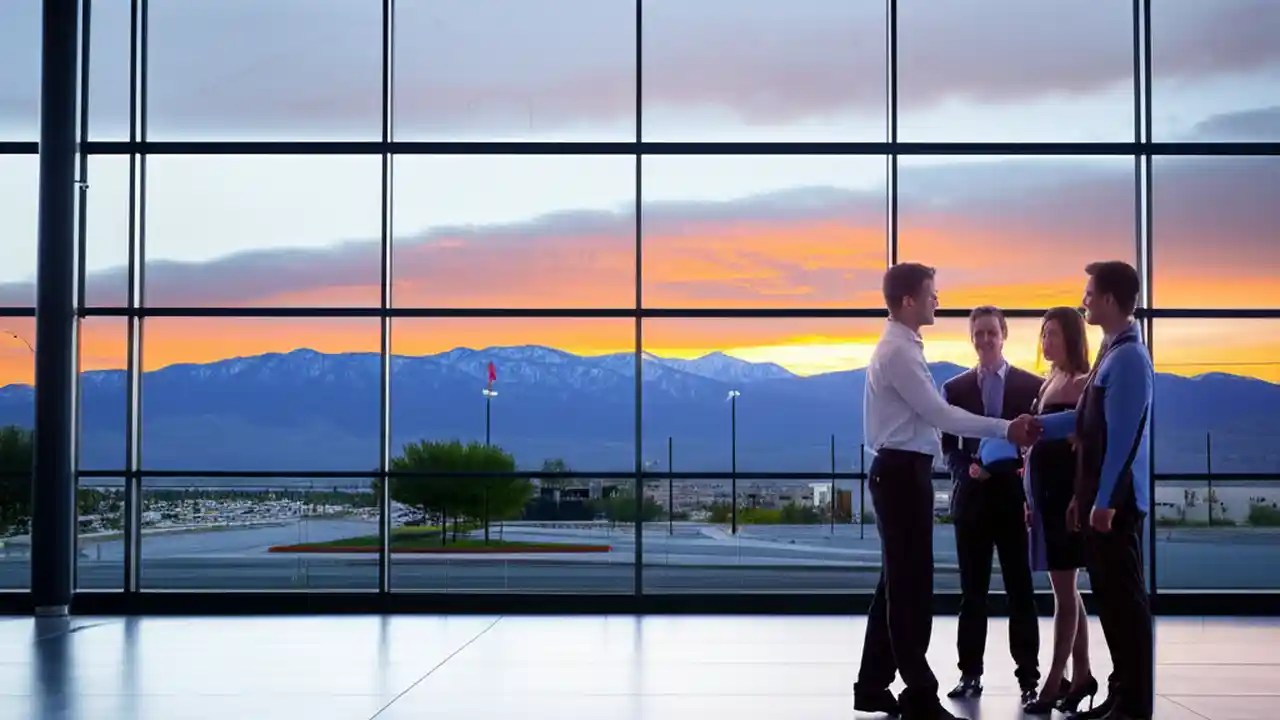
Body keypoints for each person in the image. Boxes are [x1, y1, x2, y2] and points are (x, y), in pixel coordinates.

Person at [853, 263, 1040, 720]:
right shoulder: (898, 352)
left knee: (894, 583)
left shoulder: (903, 346)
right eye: (932, 294)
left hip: (901, 472)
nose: (938, 300)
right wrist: (1006, 430)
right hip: (901, 475)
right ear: (909, 301)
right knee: (911, 585)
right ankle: (919, 693)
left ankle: (872, 685)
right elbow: (942, 415)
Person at [1036, 262, 1154, 720]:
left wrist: (1103, 502)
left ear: (1108, 300)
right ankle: (1121, 696)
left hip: (1116, 505)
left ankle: (1132, 704)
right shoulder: (1113, 351)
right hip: (1102, 502)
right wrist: (1035, 427)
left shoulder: (1127, 359)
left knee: (1125, 605)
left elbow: (1122, 438)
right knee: (1113, 604)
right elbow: (1087, 422)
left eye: (1088, 294)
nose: (1083, 300)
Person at [939, 306, 1042, 704]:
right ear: (971, 338)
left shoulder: (1030, 386)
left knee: (1021, 592)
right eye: (977, 333)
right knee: (973, 595)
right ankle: (970, 675)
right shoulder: (955, 389)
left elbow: (1039, 443)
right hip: (973, 504)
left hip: (1015, 503)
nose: (984, 340)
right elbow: (948, 448)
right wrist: (967, 472)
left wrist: (1023, 470)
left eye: (990, 333)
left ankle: (1028, 679)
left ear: (1004, 335)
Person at [1022, 306, 1097, 715]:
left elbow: (1086, 449)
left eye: (1052, 334)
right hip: (1044, 497)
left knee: (1064, 594)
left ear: (1070, 337)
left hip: (1064, 501)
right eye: (1043, 334)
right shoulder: (1050, 381)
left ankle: (1054, 682)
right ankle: (1081, 674)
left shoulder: (1083, 384)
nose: (1045, 342)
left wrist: (1077, 499)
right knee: (1065, 590)